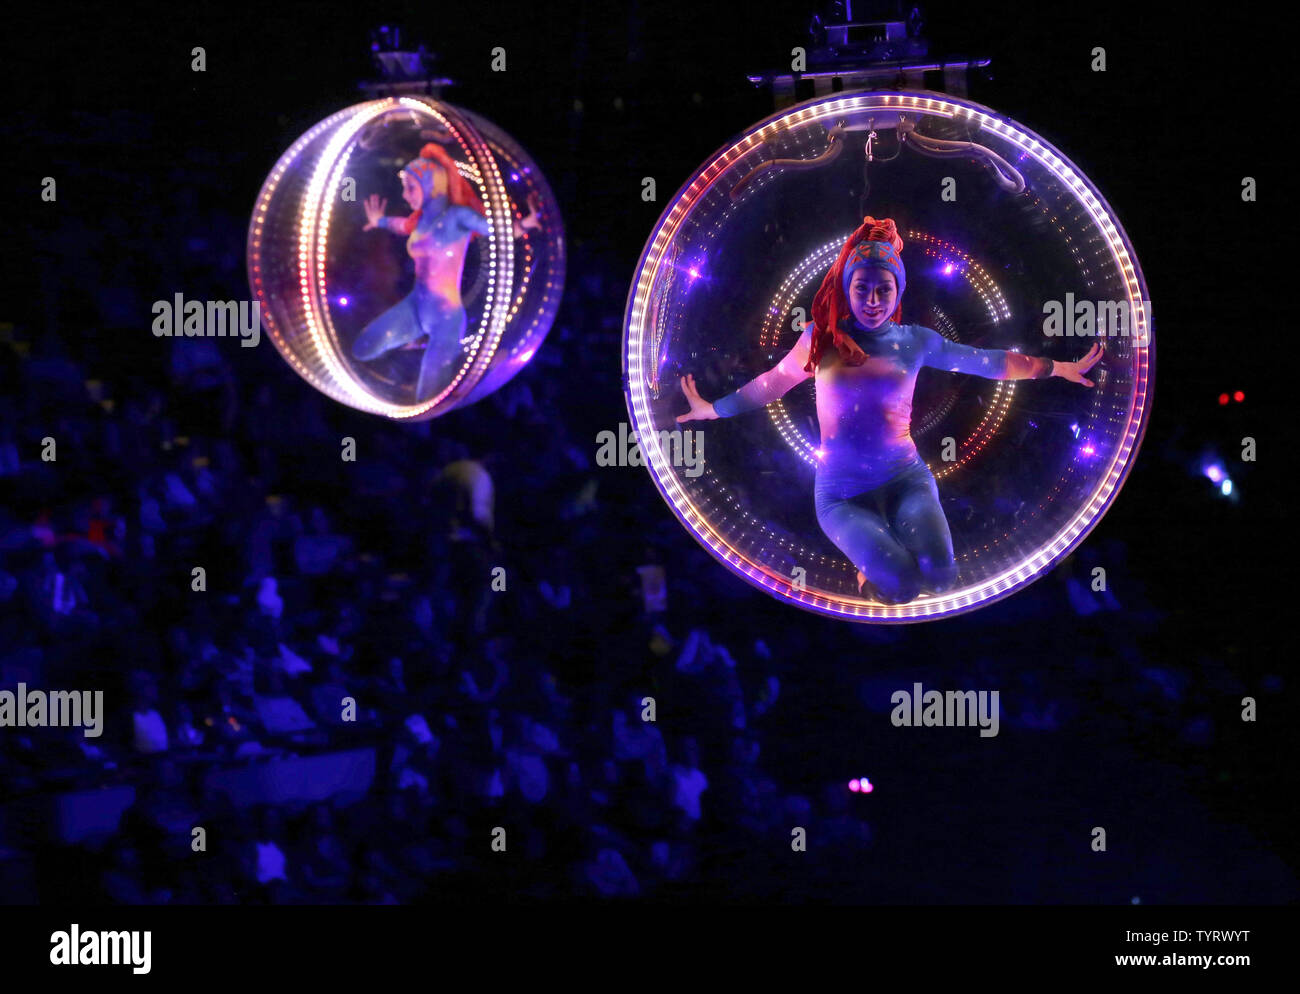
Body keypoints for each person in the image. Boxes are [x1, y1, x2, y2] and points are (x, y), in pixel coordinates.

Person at [676, 216, 1102, 604]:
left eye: (884, 289)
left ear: (898, 291)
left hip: (905, 480)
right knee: (899, 587)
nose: (873, 299)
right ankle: (869, 570)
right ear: (847, 288)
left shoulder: (915, 341)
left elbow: (987, 361)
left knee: (940, 579)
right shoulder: (819, 340)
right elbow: (771, 384)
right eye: (862, 288)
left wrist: (1056, 367)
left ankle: (887, 547)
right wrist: (712, 409)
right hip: (841, 496)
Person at [354, 143, 540, 402]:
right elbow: (400, 225)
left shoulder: (457, 216)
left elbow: (499, 231)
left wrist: (526, 223)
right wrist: (380, 221)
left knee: (428, 395)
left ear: (432, 185)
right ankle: (418, 340)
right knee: (363, 347)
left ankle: (449, 352)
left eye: (411, 188)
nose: (405, 196)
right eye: (404, 188)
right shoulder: (419, 221)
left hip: (446, 319)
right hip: (415, 308)